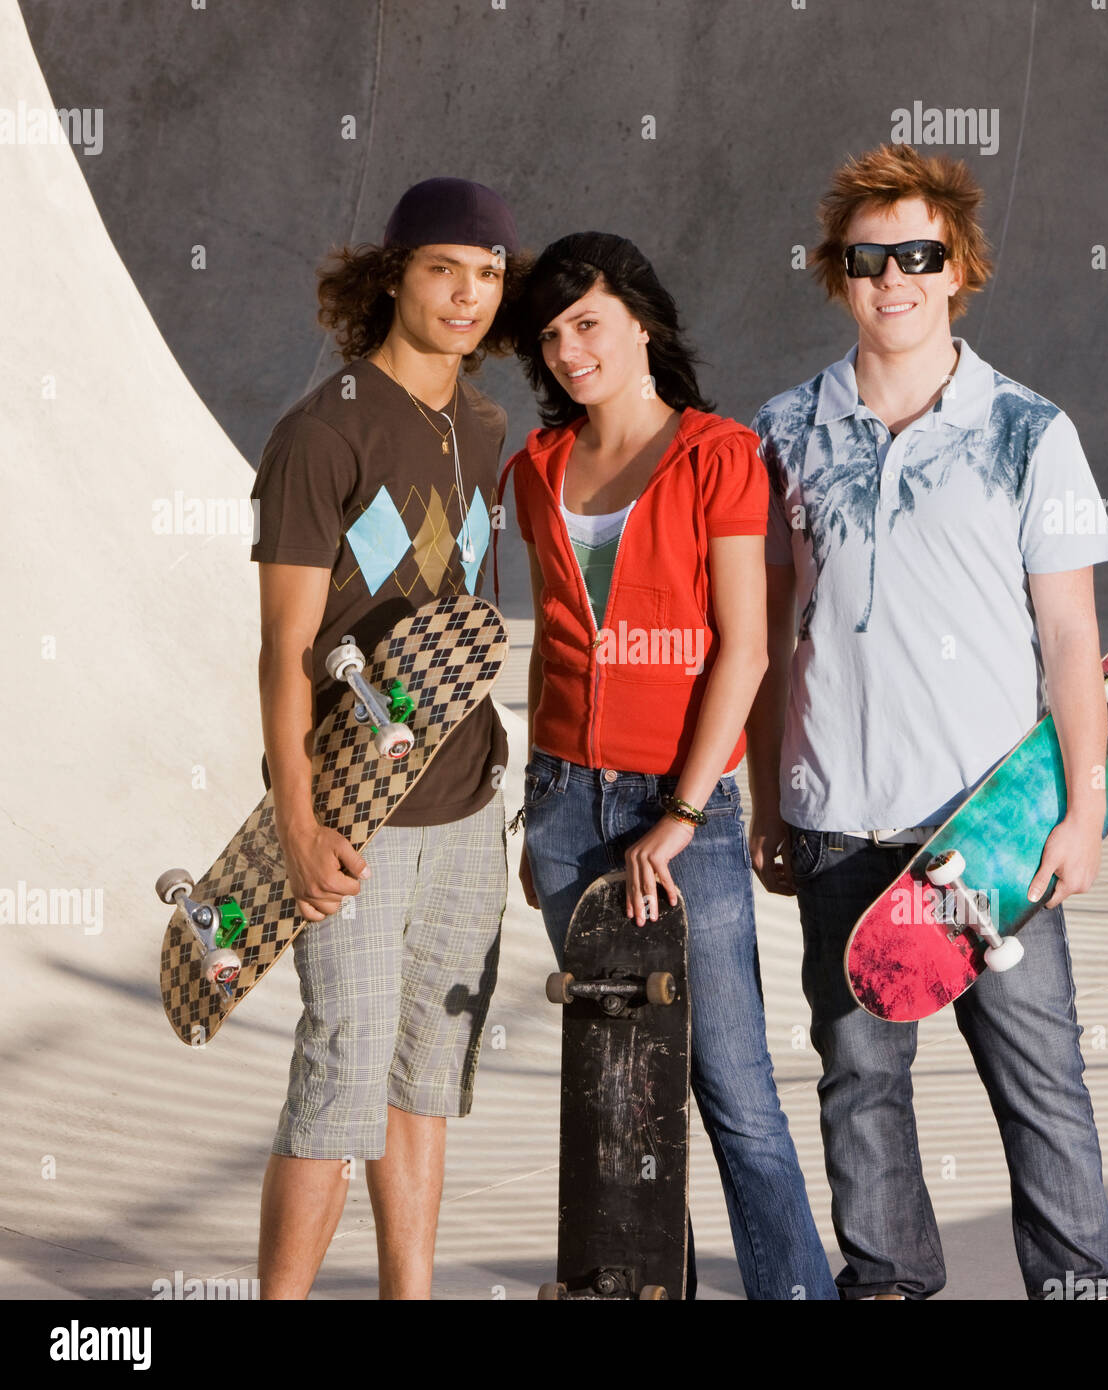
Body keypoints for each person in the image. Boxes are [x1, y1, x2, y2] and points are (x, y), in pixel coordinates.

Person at [747, 143, 1108, 1300]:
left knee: (1040, 1081)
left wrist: (1081, 807)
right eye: (868, 260)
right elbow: (767, 635)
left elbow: (1072, 642)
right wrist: (770, 801)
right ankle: (887, 1283)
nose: (894, 278)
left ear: (957, 266)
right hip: (837, 820)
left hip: (989, 828)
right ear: (838, 276)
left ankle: (1087, 1292)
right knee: (857, 1084)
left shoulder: (1028, 430)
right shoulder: (783, 430)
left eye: (918, 254)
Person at [500, 232, 836, 1300]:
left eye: (587, 322)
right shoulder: (536, 470)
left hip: (677, 812)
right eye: (549, 336)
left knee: (729, 1085)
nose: (569, 350)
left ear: (640, 321)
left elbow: (746, 643)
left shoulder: (719, 456)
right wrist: (535, 813)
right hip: (564, 807)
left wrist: (683, 813)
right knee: (618, 1091)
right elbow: (551, 650)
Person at [249, 177, 527, 1298]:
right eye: (444, 269)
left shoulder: (484, 423)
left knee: (425, 1079)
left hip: (465, 806)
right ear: (395, 275)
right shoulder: (324, 429)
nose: (468, 295)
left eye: (490, 275)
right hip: (355, 820)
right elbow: (283, 650)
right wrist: (298, 820)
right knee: (339, 1077)